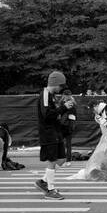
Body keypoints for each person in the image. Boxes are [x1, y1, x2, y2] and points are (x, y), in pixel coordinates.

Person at [35, 71, 72, 199]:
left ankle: (43, 182)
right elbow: (47, 115)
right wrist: (63, 108)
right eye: (61, 86)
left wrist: (62, 107)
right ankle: (50, 190)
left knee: (61, 160)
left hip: (55, 132)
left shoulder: (50, 95)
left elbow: (52, 113)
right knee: (52, 160)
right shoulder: (45, 94)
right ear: (55, 84)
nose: (61, 89)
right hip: (48, 132)